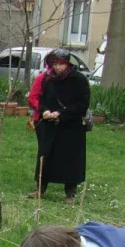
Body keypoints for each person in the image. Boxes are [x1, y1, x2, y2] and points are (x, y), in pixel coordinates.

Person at [29, 48, 89, 203]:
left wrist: (61, 114)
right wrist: (45, 111)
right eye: (54, 63)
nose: (57, 67)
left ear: (67, 64)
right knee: (45, 156)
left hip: (71, 126)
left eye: (60, 64)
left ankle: (70, 193)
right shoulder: (49, 80)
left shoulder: (80, 80)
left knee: (70, 159)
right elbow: (42, 100)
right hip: (50, 125)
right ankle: (40, 188)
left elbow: (82, 104)